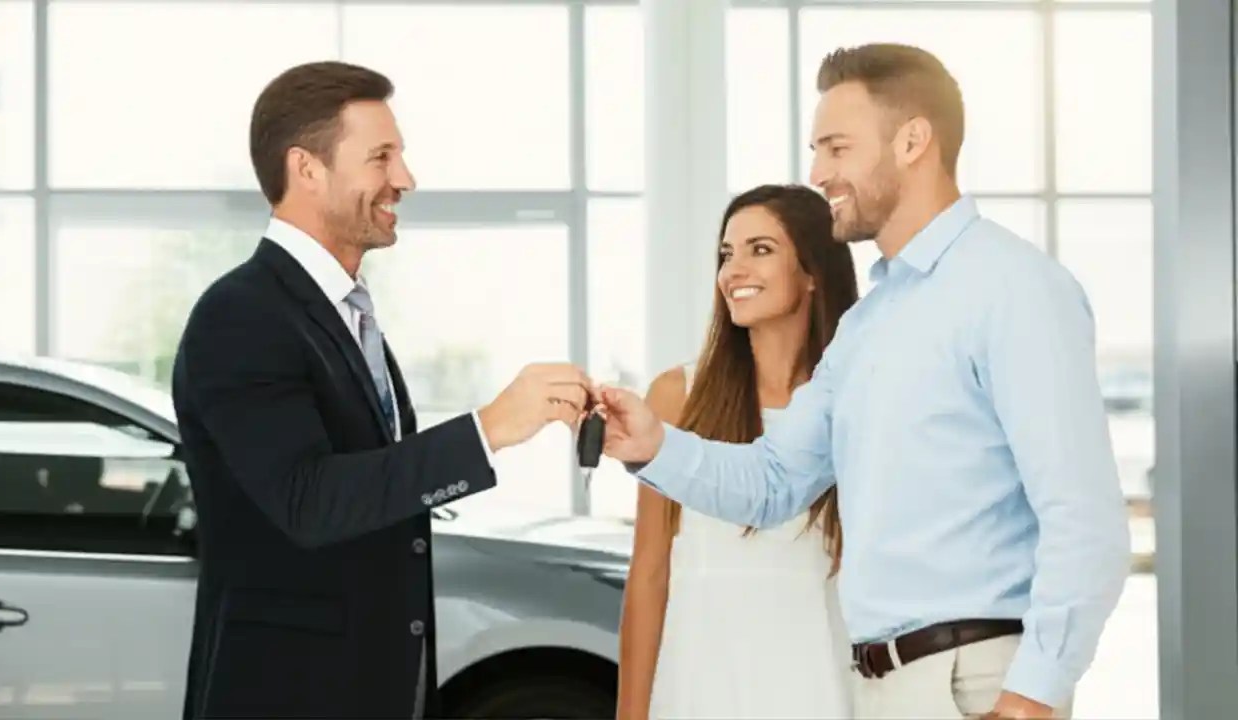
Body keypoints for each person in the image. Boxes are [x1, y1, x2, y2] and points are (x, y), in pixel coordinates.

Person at [597, 44, 1130, 720]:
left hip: (972, 683)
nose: (818, 172)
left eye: (836, 148)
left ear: (913, 141)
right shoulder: (868, 325)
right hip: (878, 686)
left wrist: (1034, 694)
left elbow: (1085, 519)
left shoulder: (1014, 288)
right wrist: (652, 445)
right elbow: (774, 483)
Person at [171, 60, 591, 720]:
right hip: (287, 696)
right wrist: (489, 429)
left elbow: (376, 498)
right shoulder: (241, 315)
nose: (405, 179)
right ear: (306, 168)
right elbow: (309, 500)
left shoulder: (342, 311)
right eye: (381, 157)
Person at [616, 184, 859, 720]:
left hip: (821, 689)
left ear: (813, 271)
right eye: (727, 254)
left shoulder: (854, 402)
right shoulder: (677, 395)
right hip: (700, 689)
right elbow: (650, 574)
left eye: (761, 249)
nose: (734, 271)